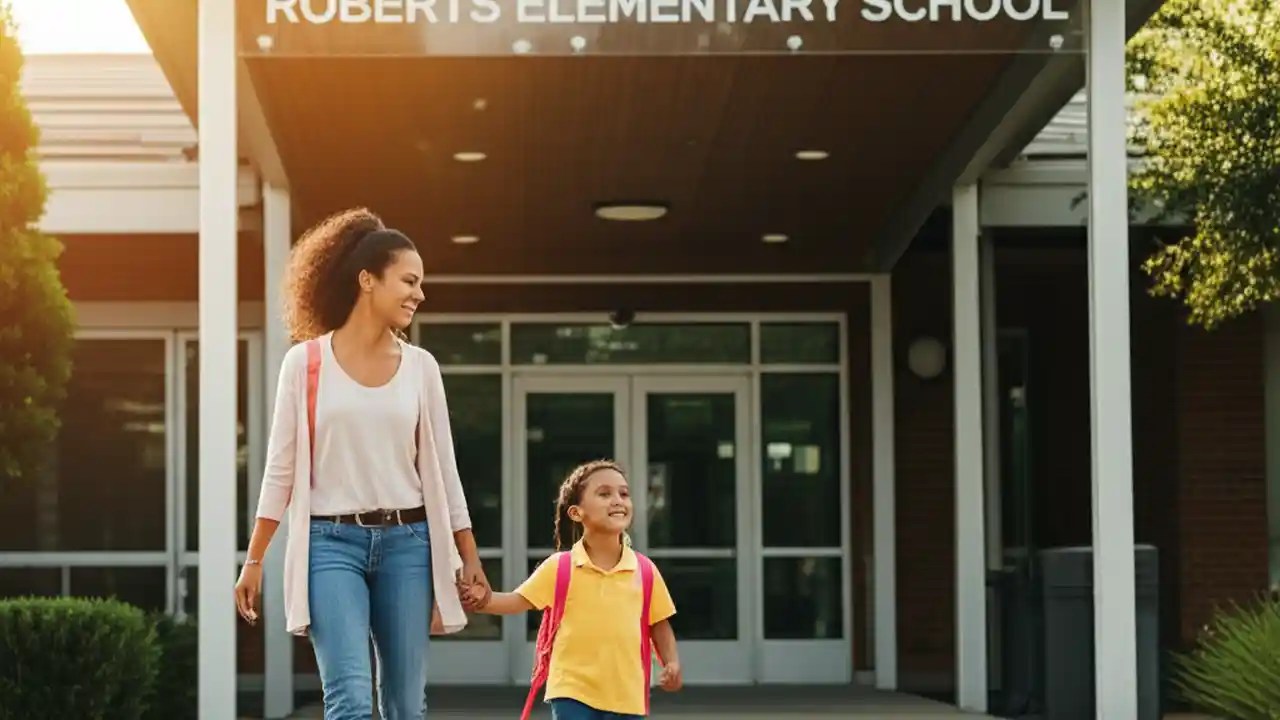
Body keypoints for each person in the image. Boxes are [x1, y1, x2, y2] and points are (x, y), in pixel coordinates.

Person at [232, 207, 492, 720]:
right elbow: (280, 471)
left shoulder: (421, 369)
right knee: (349, 700)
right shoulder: (304, 363)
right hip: (329, 547)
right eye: (409, 281)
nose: (419, 294)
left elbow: (444, 471)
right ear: (367, 280)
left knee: (404, 706)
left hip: (408, 545)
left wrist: (470, 554)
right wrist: (254, 558)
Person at [465, 459, 683, 720]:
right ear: (577, 513)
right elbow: (516, 601)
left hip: (628, 695)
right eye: (604, 494)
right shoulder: (561, 567)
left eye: (624, 493)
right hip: (572, 691)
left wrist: (671, 662)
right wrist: (483, 599)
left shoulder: (645, 571)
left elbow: (659, 624)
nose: (617, 500)